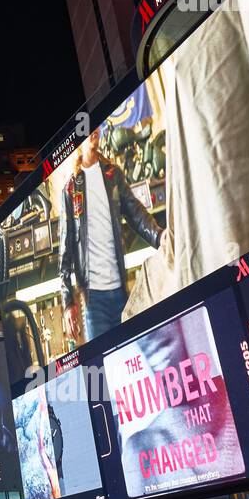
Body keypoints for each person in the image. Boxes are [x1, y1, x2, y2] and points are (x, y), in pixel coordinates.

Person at [59, 125, 164, 344]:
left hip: (121, 292)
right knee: (104, 362)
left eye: (95, 126)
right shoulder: (70, 189)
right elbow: (65, 251)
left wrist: (159, 236)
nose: (93, 131)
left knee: (132, 356)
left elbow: (134, 212)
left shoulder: (112, 174)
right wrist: (68, 302)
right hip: (93, 301)